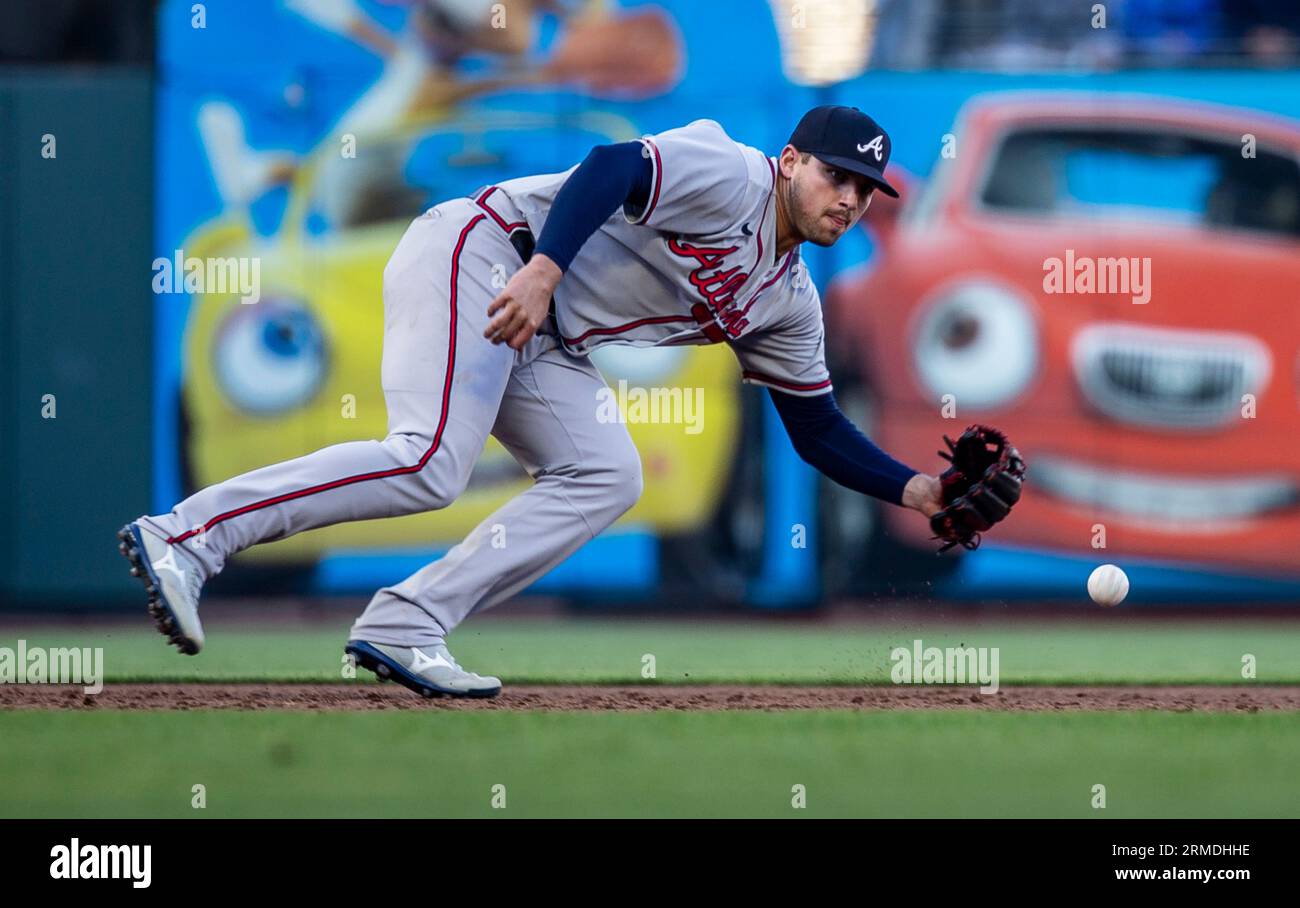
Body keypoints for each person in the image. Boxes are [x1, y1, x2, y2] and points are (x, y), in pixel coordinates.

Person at [118, 105, 944, 698]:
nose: (849, 198)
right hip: (485, 252)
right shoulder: (735, 175)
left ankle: (408, 624)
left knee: (608, 474)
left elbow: (817, 428)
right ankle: (186, 537)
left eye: (866, 191)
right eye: (838, 175)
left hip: (549, 337)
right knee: (430, 461)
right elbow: (610, 167)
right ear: (794, 161)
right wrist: (544, 271)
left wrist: (921, 492)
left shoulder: (789, 298)